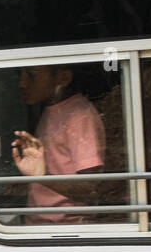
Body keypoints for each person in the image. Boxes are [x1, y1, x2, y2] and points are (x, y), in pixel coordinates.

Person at [10, 65, 105, 223]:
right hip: (44, 223)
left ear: (63, 78)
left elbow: (89, 189)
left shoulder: (79, 116)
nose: (22, 83)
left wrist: (41, 176)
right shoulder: (53, 109)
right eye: (20, 74)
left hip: (67, 226)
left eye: (32, 75)